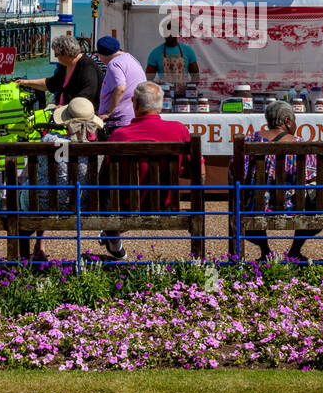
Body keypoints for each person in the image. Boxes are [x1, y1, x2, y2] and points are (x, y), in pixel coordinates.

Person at [104, 82, 192, 258]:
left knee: (107, 187)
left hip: (127, 208)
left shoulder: (119, 136)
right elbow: (195, 170)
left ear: (135, 103)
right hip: (166, 207)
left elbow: (107, 175)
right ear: (160, 104)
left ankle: (113, 241)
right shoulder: (179, 130)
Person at [23, 97, 104, 261]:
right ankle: (39, 247)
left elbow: (42, 166)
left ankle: (26, 256)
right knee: (47, 186)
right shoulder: (96, 150)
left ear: (66, 121)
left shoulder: (51, 141)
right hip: (82, 207)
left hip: (45, 204)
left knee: (36, 187)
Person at [237, 100, 319, 260]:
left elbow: (237, 171)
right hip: (293, 207)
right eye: (294, 119)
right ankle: (295, 250)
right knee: (317, 206)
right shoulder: (300, 143)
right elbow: (312, 176)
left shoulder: (251, 139)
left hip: (256, 206)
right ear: (287, 121)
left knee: (249, 199)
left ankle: (265, 251)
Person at [17, 35, 103, 110]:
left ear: (65, 53)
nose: (56, 58)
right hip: (68, 112)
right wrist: (25, 82)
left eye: (56, 55)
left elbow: (88, 94)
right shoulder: (66, 65)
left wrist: (66, 106)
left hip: (83, 114)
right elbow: (50, 84)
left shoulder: (87, 66)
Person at [96, 36, 146, 138]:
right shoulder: (131, 59)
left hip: (118, 121)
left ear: (102, 54)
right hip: (133, 117)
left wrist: (108, 112)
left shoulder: (114, 64)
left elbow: (120, 88)